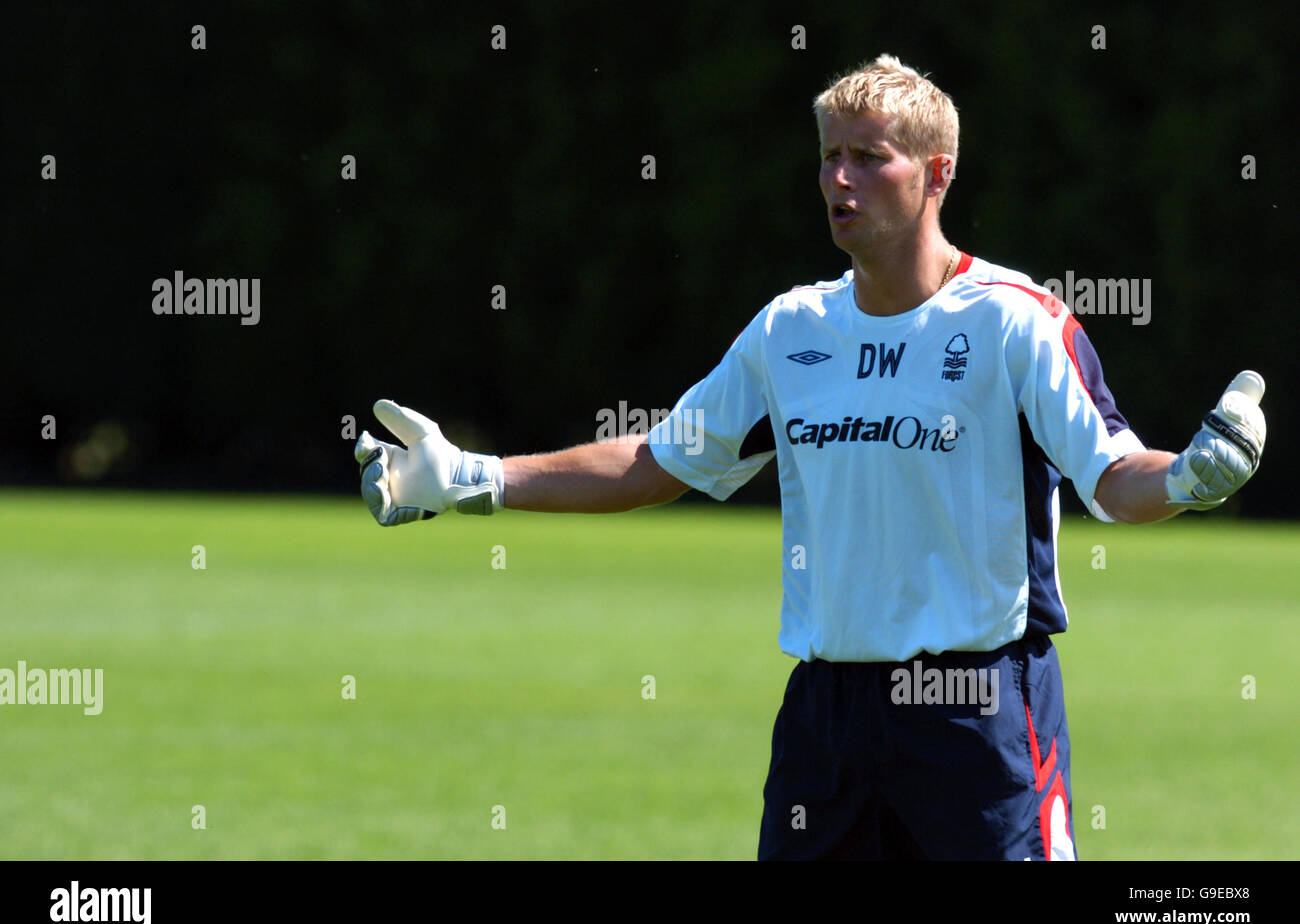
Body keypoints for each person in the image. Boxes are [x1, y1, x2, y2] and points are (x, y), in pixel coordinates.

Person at [351, 54, 1266, 860]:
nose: (841, 176)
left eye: (871, 156)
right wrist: (475, 477)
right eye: (830, 154)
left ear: (937, 173)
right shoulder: (791, 331)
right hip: (826, 722)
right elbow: (657, 462)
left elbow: (1112, 476)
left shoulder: (1013, 321)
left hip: (976, 711)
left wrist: (1189, 477)